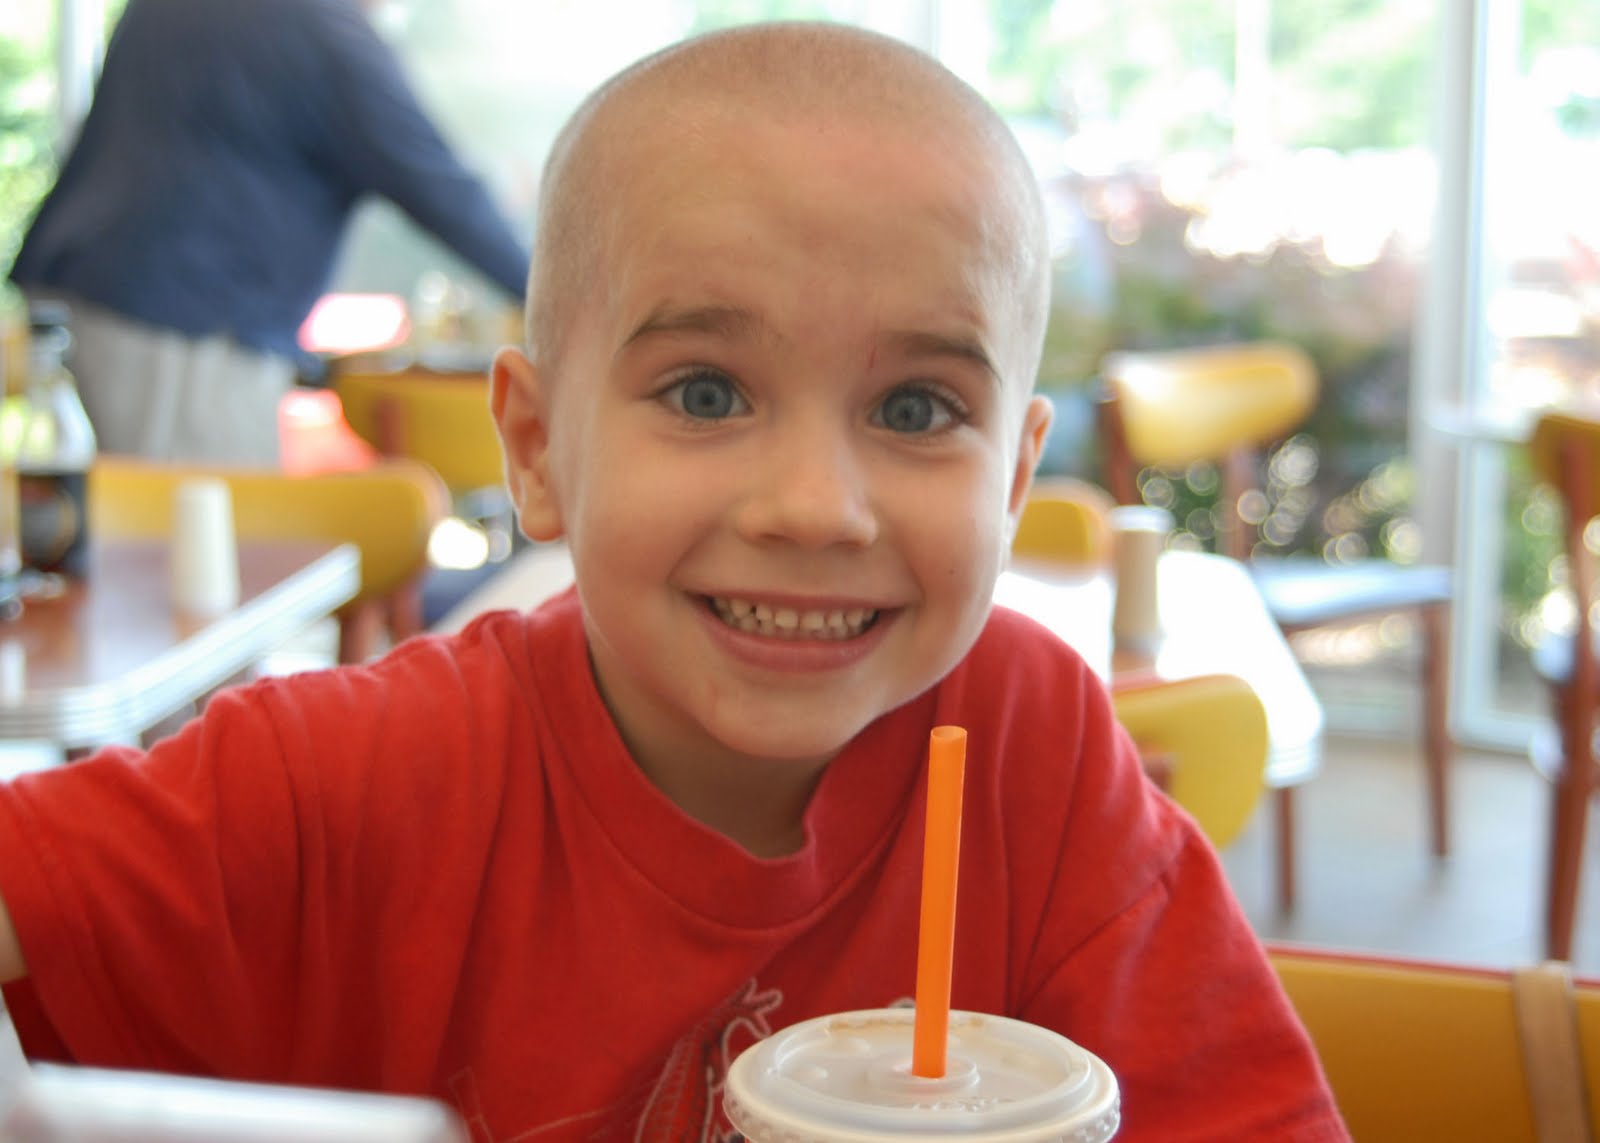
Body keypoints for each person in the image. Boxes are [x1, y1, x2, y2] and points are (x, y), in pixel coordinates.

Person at [0, 22, 1349, 1142]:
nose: (816, 507)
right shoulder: (356, 775)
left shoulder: (1030, 754)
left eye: (920, 407)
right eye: (706, 391)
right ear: (536, 448)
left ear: (1011, 480)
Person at [7, 0, 528, 466]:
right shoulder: (326, 32)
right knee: (201, 548)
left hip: (81, 290)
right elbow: (442, 191)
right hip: (180, 329)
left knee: (119, 538)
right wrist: (558, 296)